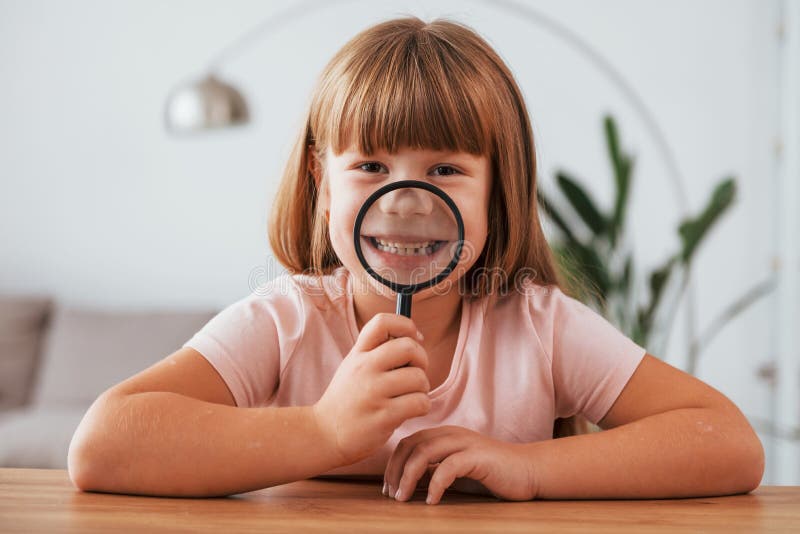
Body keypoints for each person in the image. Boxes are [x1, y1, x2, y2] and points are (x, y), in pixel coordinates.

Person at [67, 16, 764, 505]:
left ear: (498, 190)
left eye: (445, 170)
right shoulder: (287, 322)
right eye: (371, 166)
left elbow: (729, 443)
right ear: (321, 183)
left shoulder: (538, 327)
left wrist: (527, 467)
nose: (405, 203)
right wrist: (322, 429)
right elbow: (102, 445)